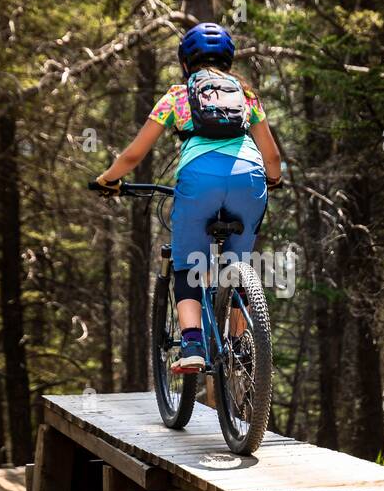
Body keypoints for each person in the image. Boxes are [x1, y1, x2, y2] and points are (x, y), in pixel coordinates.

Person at [92, 22, 282, 372]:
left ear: (185, 62)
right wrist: (273, 179)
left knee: (189, 264)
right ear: (228, 60)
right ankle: (240, 347)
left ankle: (192, 344)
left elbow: (134, 155)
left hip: (199, 180)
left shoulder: (177, 96)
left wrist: (107, 180)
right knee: (237, 269)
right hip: (249, 177)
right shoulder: (246, 94)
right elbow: (272, 158)